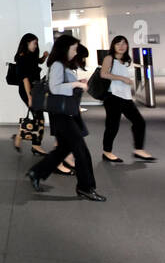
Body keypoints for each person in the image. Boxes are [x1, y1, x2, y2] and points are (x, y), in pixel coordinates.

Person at [25, 35, 106, 201]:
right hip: (62, 115)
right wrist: (76, 84)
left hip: (65, 114)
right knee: (81, 151)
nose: (75, 52)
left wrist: (77, 82)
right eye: (74, 48)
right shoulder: (56, 65)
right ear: (65, 48)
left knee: (63, 149)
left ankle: (36, 172)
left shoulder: (63, 65)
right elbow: (55, 89)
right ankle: (85, 187)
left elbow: (62, 86)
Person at [98, 35, 155, 162]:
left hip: (125, 96)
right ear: (113, 45)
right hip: (112, 96)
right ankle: (107, 152)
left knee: (139, 122)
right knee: (112, 126)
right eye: (118, 44)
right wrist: (122, 78)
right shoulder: (109, 58)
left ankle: (139, 149)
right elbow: (103, 74)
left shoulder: (127, 60)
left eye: (124, 43)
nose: (121, 46)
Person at [11, 33, 49, 156]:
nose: (36, 45)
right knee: (39, 117)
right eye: (34, 43)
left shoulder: (31, 56)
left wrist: (43, 57)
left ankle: (20, 137)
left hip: (35, 89)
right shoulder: (22, 57)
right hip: (26, 90)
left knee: (38, 116)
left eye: (36, 43)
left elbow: (37, 62)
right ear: (26, 43)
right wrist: (29, 97)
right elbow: (25, 78)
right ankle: (35, 145)